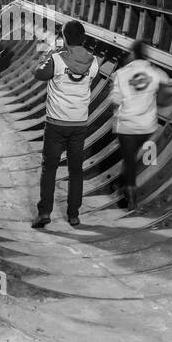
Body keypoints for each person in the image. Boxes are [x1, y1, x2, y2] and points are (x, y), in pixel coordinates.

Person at [31, 20, 101, 229]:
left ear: (66, 37)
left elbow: (38, 73)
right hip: (79, 124)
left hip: (55, 124)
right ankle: (73, 215)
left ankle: (44, 212)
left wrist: (52, 51)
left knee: (49, 168)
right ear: (83, 38)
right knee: (76, 170)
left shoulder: (56, 59)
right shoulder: (94, 62)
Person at [109, 40, 172, 210]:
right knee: (131, 159)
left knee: (129, 160)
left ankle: (130, 198)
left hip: (127, 125)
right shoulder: (155, 72)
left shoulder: (121, 74)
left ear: (132, 54)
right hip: (146, 127)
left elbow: (115, 100)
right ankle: (122, 188)